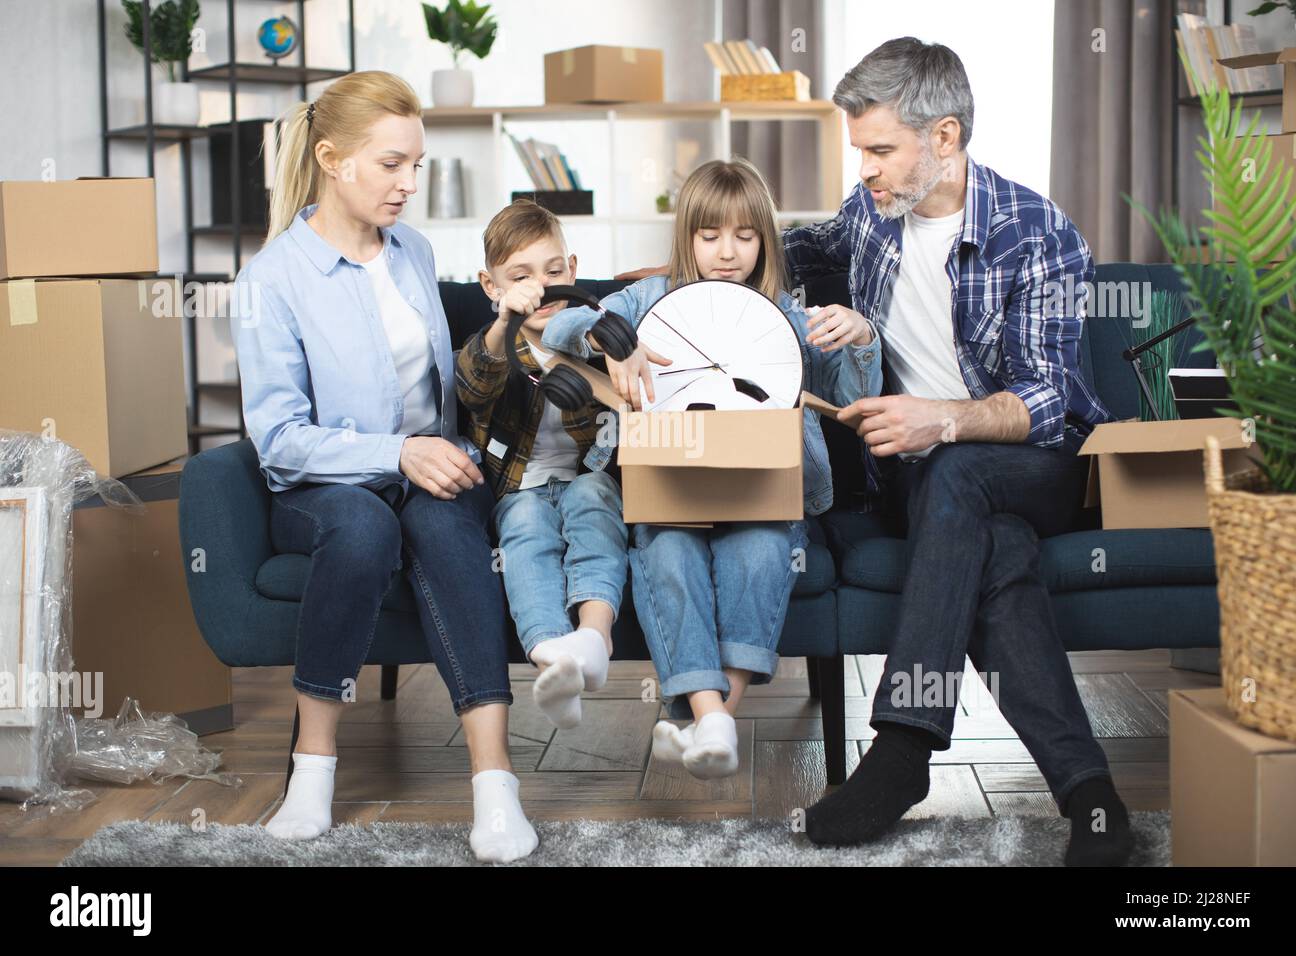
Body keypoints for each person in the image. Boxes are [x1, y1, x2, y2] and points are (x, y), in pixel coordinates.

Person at [782, 38, 1131, 866]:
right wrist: (673, 274)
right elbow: (789, 247)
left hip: (1031, 465)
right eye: (857, 149)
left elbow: (1047, 399)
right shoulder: (871, 213)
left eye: (879, 149)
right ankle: (1093, 800)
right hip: (923, 481)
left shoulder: (1036, 231)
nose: (863, 169)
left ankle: (902, 750)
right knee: (997, 556)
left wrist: (939, 420)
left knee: (961, 467)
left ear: (944, 138)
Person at [230, 70, 536, 863]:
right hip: (321, 485)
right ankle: (312, 771)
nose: (408, 185)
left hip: (426, 471)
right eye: (391, 164)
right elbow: (280, 438)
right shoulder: (271, 281)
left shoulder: (413, 252)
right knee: (364, 528)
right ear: (333, 160)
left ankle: (495, 786)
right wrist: (395, 452)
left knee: (448, 526)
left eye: (417, 166)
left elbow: (445, 388)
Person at [542, 157, 883, 779]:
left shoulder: (785, 309)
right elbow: (559, 324)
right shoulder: (648, 296)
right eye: (710, 236)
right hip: (670, 487)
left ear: (765, 241)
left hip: (767, 492)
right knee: (667, 555)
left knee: (757, 553)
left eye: (745, 236)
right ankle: (714, 717)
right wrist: (610, 337)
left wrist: (860, 335)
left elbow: (854, 395)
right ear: (686, 238)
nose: (728, 252)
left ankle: (710, 720)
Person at [455, 199, 627, 729]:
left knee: (597, 504)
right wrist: (506, 320)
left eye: (554, 272)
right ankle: (552, 657)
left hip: (583, 478)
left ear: (572, 270)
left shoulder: (593, 343)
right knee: (527, 532)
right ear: (491, 286)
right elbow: (474, 383)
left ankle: (594, 638)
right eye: (521, 276)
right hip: (519, 489)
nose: (543, 287)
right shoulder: (491, 347)